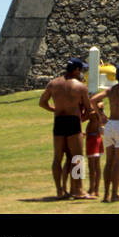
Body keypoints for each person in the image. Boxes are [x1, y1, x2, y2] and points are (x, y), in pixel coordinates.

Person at [39, 57, 94, 200]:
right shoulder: (80, 87)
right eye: (80, 69)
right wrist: (84, 117)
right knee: (77, 157)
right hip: (73, 121)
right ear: (76, 70)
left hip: (59, 121)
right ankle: (79, 189)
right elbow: (89, 109)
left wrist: (55, 109)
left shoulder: (53, 83)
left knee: (57, 157)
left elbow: (42, 102)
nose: (81, 71)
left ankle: (59, 190)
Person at [92, 62, 119, 202]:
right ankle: (115, 193)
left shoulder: (111, 90)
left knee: (109, 161)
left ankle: (106, 194)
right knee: (118, 162)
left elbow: (93, 99)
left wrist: (100, 115)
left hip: (110, 125)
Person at [83, 99, 107, 196]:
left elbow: (82, 118)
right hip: (95, 137)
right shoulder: (100, 115)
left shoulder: (94, 114)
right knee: (96, 165)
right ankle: (95, 189)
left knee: (92, 166)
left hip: (93, 139)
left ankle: (93, 189)